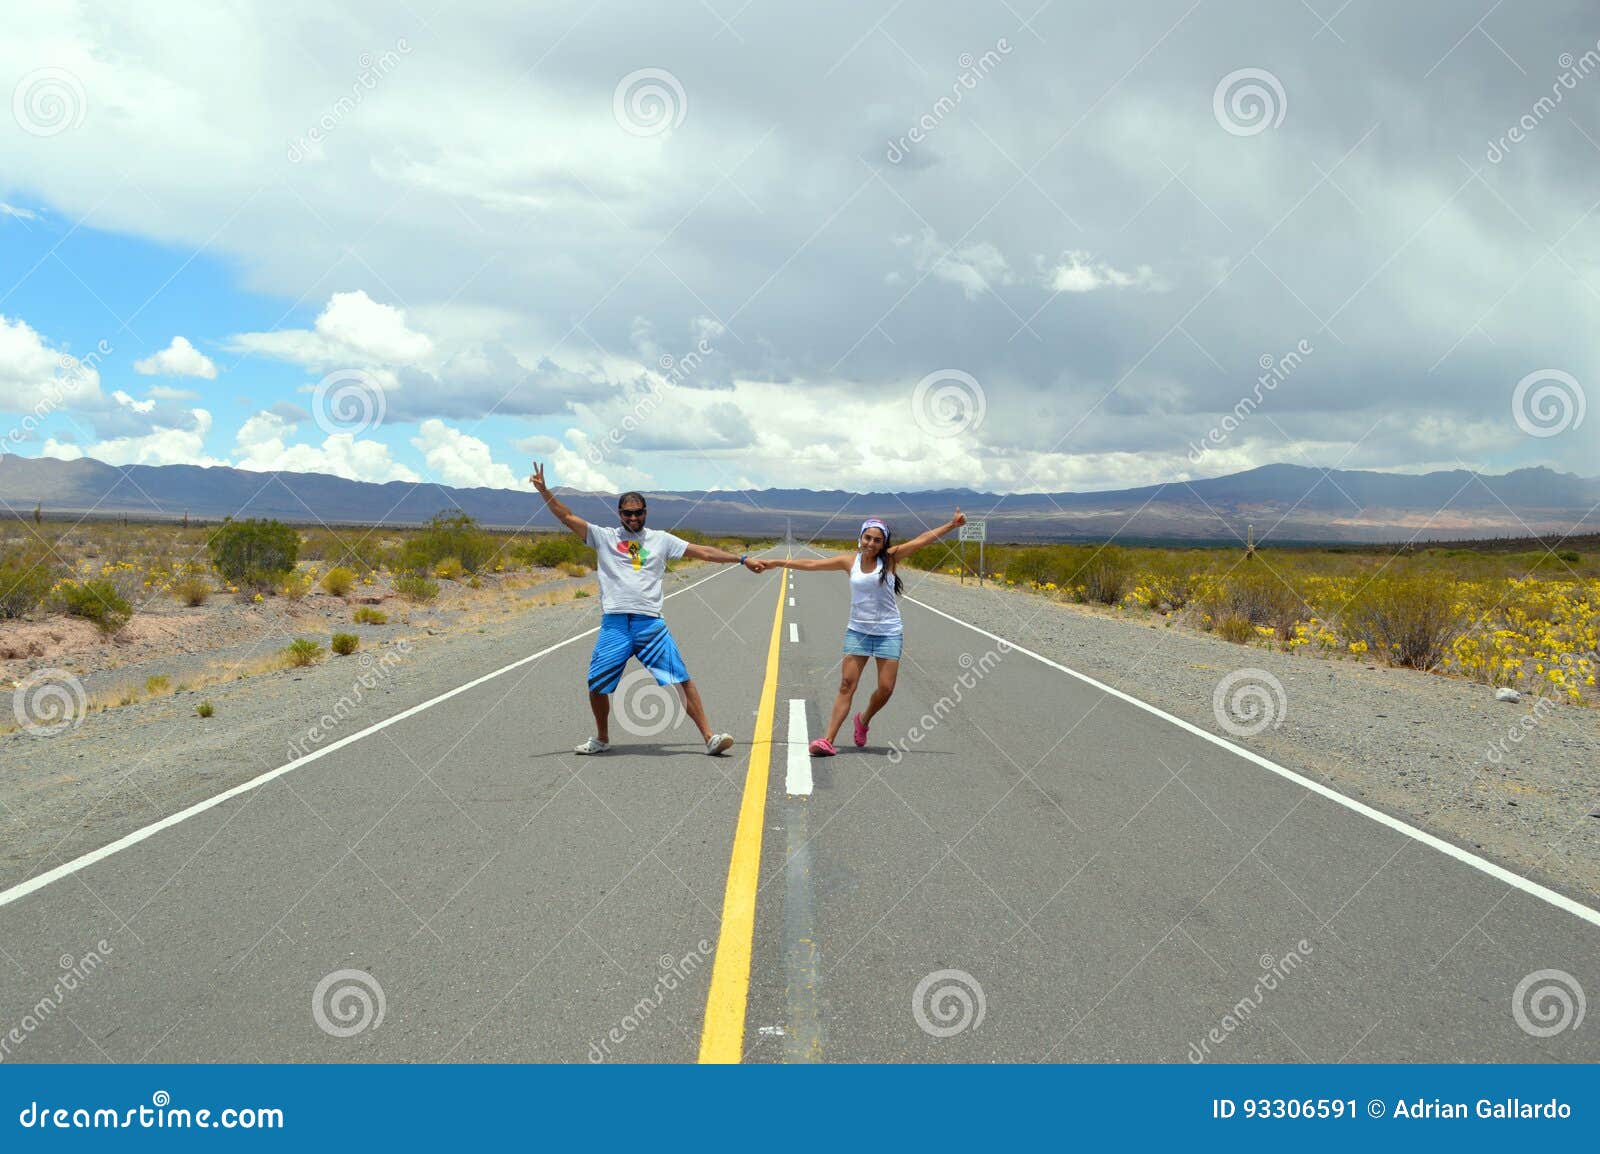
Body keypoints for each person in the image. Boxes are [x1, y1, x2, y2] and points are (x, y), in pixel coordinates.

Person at [530, 462, 760, 756]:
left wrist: (741, 559)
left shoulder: (661, 540)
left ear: (645, 513)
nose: (634, 517)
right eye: (628, 512)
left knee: (681, 678)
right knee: (597, 683)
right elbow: (567, 516)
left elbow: (703, 551)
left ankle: (709, 737)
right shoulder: (604, 537)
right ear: (620, 514)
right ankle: (601, 738)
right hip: (615, 624)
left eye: (638, 512)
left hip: (651, 625)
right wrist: (545, 492)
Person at [754, 510, 964, 755]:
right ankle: (827, 740)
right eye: (867, 538)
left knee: (886, 689)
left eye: (877, 540)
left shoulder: (891, 559)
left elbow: (921, 540)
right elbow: (812, 564)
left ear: (884, 543)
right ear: (860, 538)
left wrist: (951, 525)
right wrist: (778, 563)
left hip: (888, 632)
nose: (871, 543)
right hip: (858, 632)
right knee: (846, 684)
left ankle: (863, 720)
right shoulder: (848, 562)